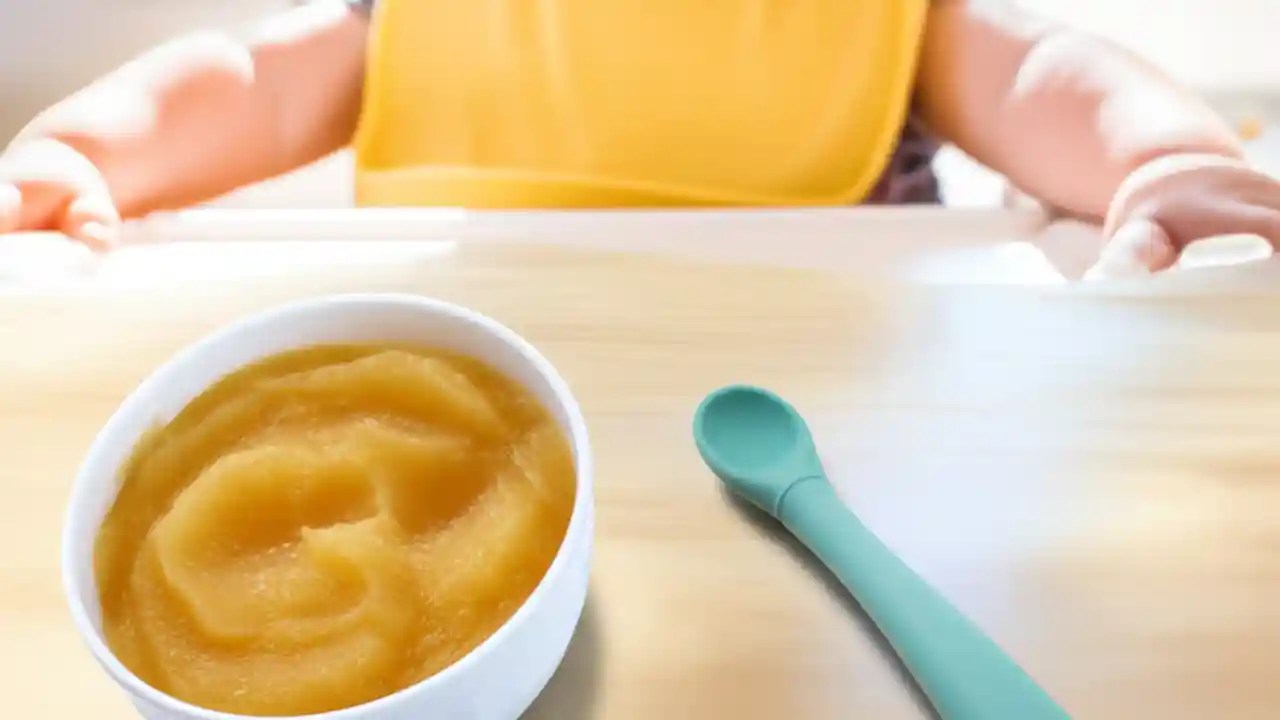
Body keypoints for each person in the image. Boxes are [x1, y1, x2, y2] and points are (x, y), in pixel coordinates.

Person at [0, 0, 1276, 278]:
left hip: (822, 466)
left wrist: (1162, 159)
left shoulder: (883, 26)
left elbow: (1041, 75)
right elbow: (250, 82)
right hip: (488, 435)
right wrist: (86, 152)